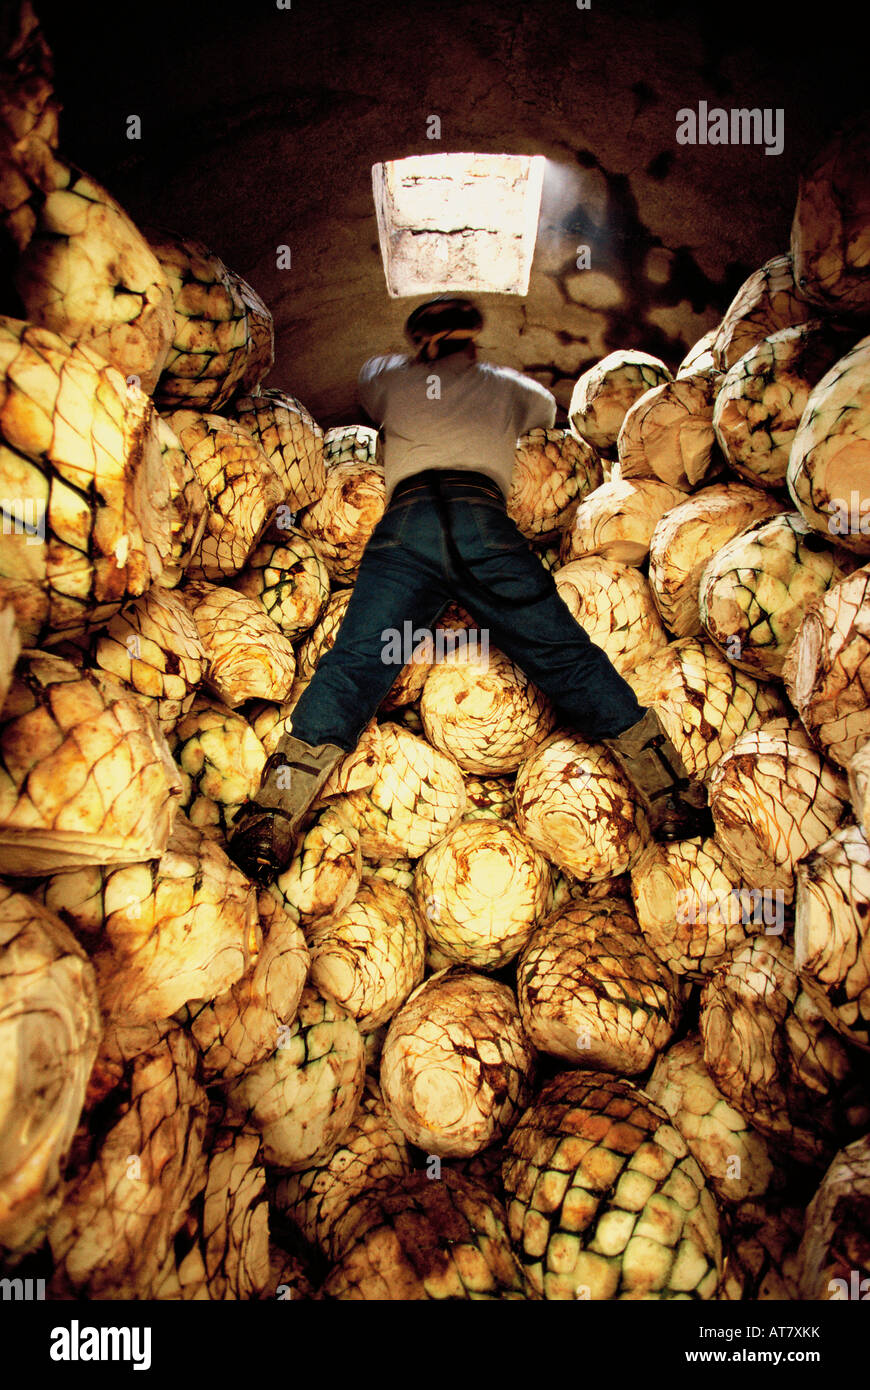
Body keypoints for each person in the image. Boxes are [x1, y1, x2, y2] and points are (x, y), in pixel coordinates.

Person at [228, 296, 711, 885]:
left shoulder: (392, 378)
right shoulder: (505, 386)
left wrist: (420, 373)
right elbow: (545, 411)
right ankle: (670, 794)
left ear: (421, 342)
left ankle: (270, 818)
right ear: (472, 341)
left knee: (353, 666)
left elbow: (367, 381)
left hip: (406, 528)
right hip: (482, 524)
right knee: (563, 654)